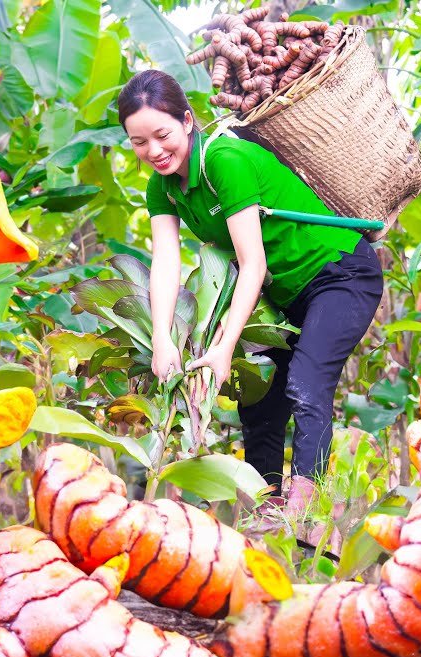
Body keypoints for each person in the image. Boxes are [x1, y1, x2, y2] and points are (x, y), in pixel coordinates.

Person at [118, 69, 384, 490]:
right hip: (285, 297)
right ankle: (266, 512)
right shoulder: (161, 187)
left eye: (162, 135)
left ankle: (306, 513)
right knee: (259, 404)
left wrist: (224, 349)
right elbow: (166, 260)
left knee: (306, 383)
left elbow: (252, 264)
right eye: (139, 142)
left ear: (187, 121)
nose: (154, 150)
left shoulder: (224, 161)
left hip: (340, 273)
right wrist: (162, 338)